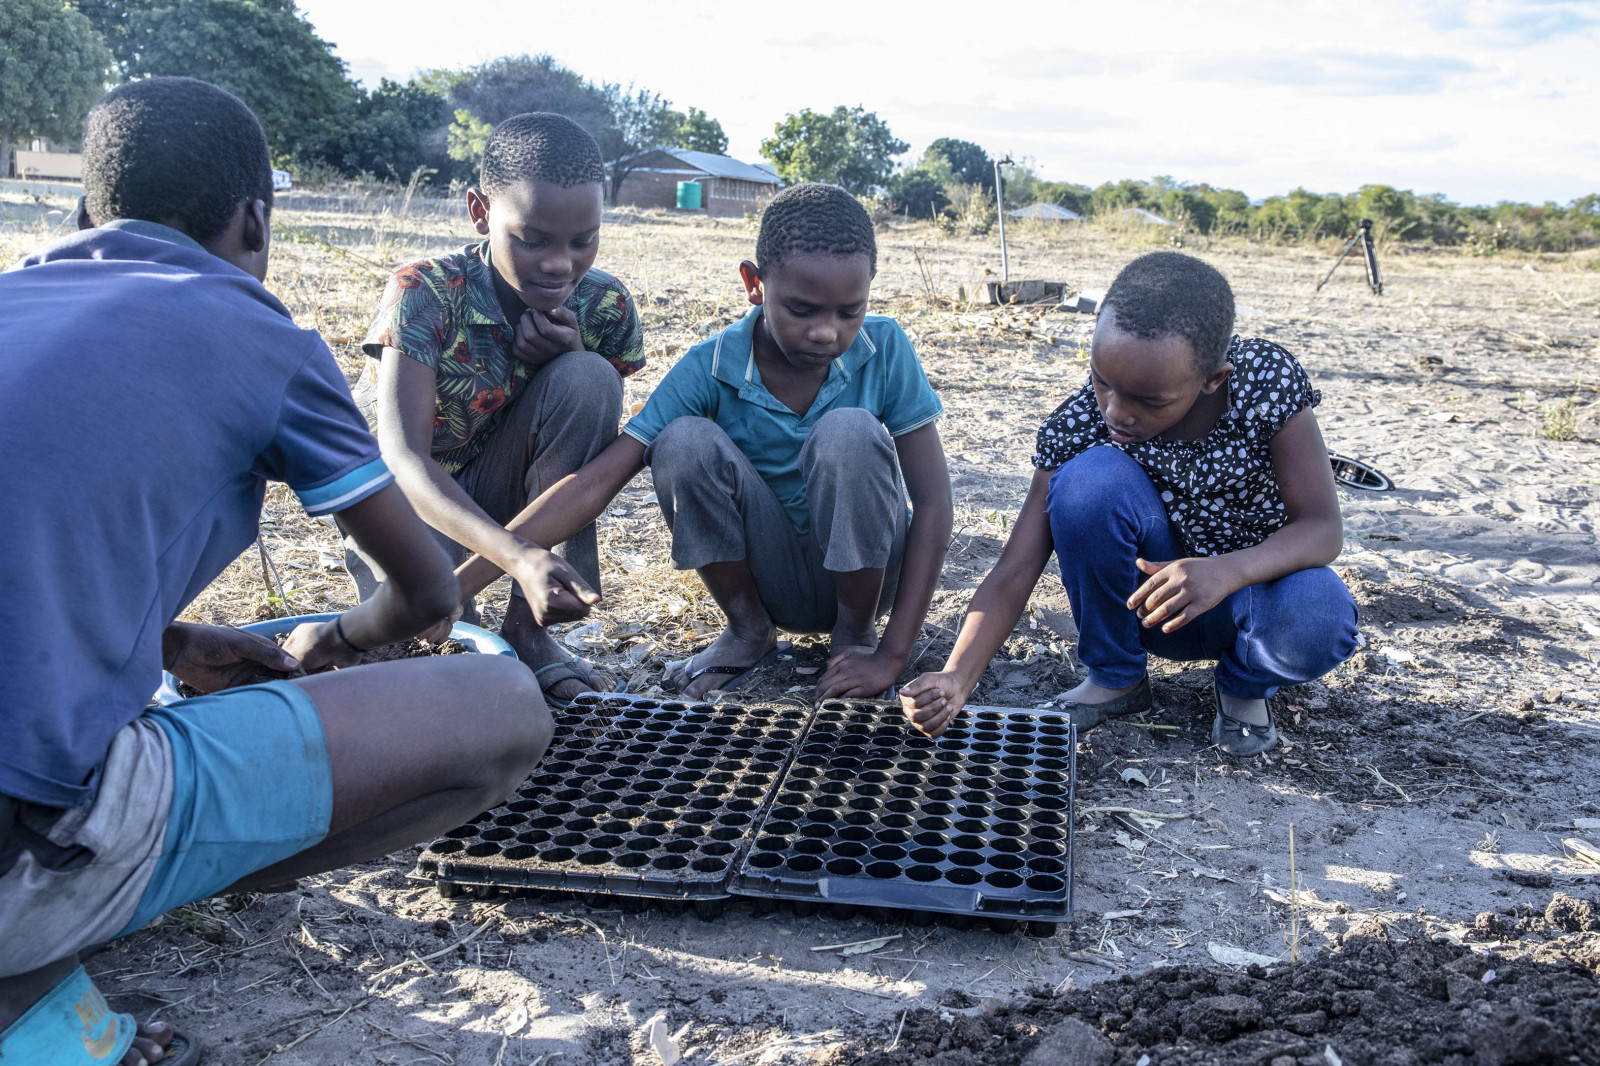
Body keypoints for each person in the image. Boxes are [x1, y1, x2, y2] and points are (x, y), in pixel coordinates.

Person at [0, 78, 550, 1066]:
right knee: (505, 707)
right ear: (257, 220)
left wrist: (164, 644)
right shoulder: (257, 332)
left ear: (83, 213)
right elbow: (426, 595)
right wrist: (332, 640)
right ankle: (48, 964)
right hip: (18, 845)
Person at [448, 183, 955, 701]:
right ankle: (747, 631)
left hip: (872, 579)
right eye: (802, 310)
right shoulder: (710, 367)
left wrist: (892, 654)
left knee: (849, 431)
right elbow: (595, 481)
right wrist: (459, 587)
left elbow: (935, 502)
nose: (827, 332)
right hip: (769, 578)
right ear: (754, 284)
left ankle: (855, 635)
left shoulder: (886, 346)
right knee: (682, 440)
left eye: (850, 312)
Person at [899, 251, 1358, 755]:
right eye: (1101, 382)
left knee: (1323, 615)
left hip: (1254, 601)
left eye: (1149, 400)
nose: (1116, 412)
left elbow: (1321, 528)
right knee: (1087, 481)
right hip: (1149, 610)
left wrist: (1224, 571)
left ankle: (1243, 686)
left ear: (1213, 378)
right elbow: (1014, 569)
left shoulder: (1262, 384)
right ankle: (1116, 676)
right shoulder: (1078, 425)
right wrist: (957, 677)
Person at [354, 112, 644, 709]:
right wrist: (516, 555)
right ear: (481, 212)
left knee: (590, 377)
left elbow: (584, 451)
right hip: (404, 505)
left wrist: (574, 354)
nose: (560, 263)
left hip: (507, 493)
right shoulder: (425, 292)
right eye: (532, 239)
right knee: (424, 654)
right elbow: (403, 458)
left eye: (582, 240)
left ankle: (528, 632)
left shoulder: (604, 305)